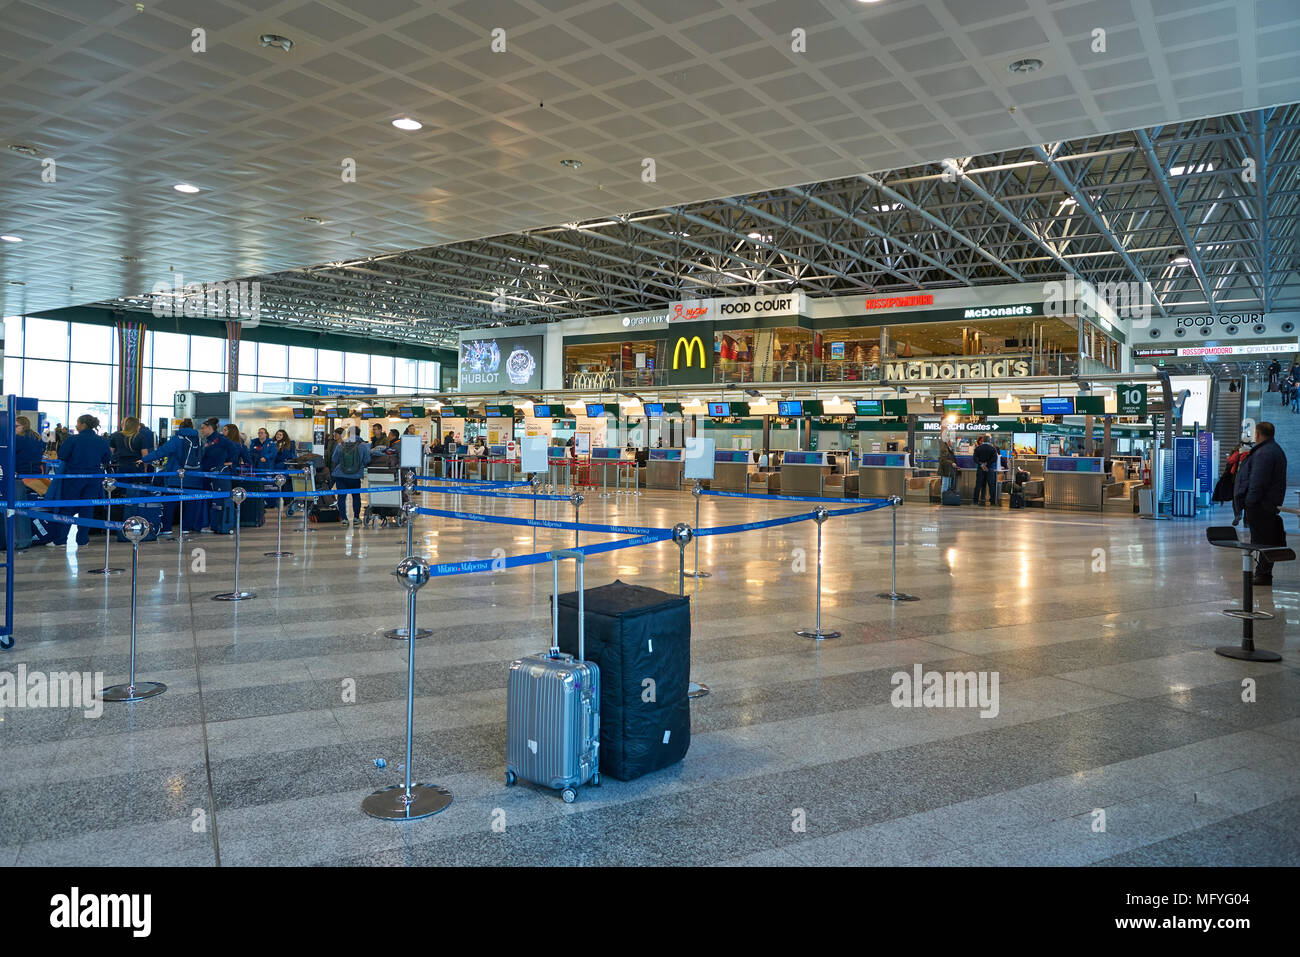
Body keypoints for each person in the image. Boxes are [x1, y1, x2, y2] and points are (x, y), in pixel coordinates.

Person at [1234, 422, 1288, 585]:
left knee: (1262, 540)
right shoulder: (1274, 450)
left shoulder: (1264, 453)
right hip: (1268, 504)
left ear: (1257, 434)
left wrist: (1250, 502)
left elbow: (1258, 481)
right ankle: (1262, 573)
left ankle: (1263, 575)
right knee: (1265, 539)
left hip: (1261, 505)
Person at [49, 414, 112, 548]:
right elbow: (107, 458)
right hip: (94, 478)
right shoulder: (101, 440)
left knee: (68, 508)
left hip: (74, 477)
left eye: (77, 423)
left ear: (83, 424)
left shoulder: (73, 439)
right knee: (87, 509)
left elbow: (62, 455)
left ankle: (60, 540)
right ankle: (83, 540)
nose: (76, 426)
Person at [142, 417, 204, 535]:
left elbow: (161, 451)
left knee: (170, 504)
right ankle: (186, 528)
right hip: (194, 477)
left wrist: (144, 459)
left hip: (176, 476)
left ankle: (167, 528)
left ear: (180, 428)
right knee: (190, 505)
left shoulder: (177, 439)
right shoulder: (199, 440)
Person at [10, 416, 47, 550]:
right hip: (35, 478)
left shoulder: (18, 440)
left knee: (17, 509)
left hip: (20, 478)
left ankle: (21, 541)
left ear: (23, 426)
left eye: (16, 426)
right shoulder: (36, 438)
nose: (13, 429)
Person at [330, 426, 371, 525]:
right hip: (355, 476)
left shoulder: (341, 445)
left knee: (341, 497)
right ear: (359, 433)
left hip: (340, 475)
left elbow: (334, 459)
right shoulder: (363, 446)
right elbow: (367, 461)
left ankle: (344, 519)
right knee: (356, 496)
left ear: (348, 434)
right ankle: (356, 518)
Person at [1215, 442, 1251, 525]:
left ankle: (1238, 515)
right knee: (1247, 501)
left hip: (1236, 479)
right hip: (1249, 480)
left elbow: (1231, 460)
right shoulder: (1252, 453)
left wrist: (1229, 457)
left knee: (1236, 499)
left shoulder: (1238, 453)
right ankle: (1246, 522)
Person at [971, 435, 999, 506]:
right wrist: (987, 464)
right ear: (989, 440)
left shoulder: (978, 448)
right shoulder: (993, 449)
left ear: (983, 440)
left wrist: (981, 465)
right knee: (991, 485)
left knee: (978, 485)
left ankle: (975, 501)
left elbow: (975, 458)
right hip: (990, 469)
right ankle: (992, 502)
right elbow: (994, 459)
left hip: (980, 469)